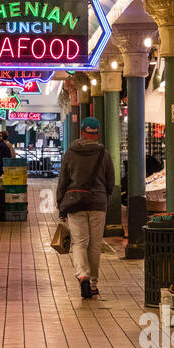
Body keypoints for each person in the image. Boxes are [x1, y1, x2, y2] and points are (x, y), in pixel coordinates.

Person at [56, 115, 115, 300]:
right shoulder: (103, 153)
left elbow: (63, 180)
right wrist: (104, 196)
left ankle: (82, 275)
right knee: (95, 245)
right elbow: (110, 181)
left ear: (82, 132)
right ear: (97, 134)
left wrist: (61, 205)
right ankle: (94, 283)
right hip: (98, 203)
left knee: (79, 243)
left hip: (75, 202)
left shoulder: (71, 152)